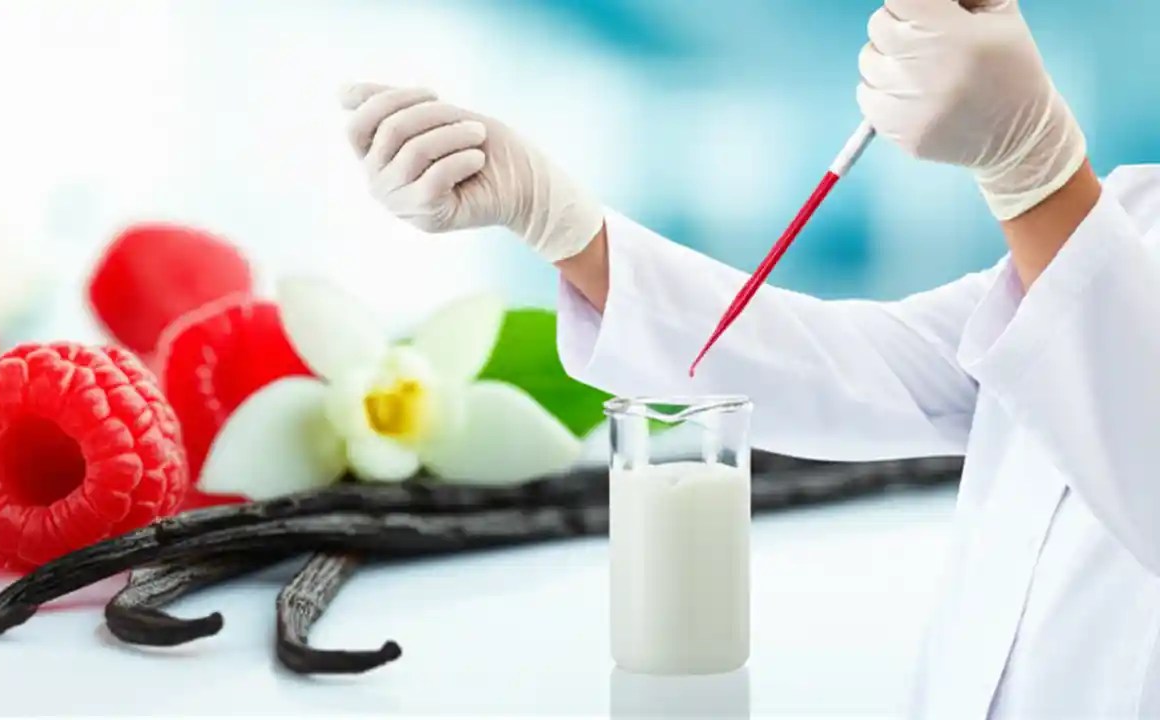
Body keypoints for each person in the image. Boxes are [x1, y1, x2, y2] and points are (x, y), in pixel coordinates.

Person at [339, 0, 1160, 717]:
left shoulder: (1092, 217)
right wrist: (560, 224)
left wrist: (1034, 170)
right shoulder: (1139, 212)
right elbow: (866, 369)